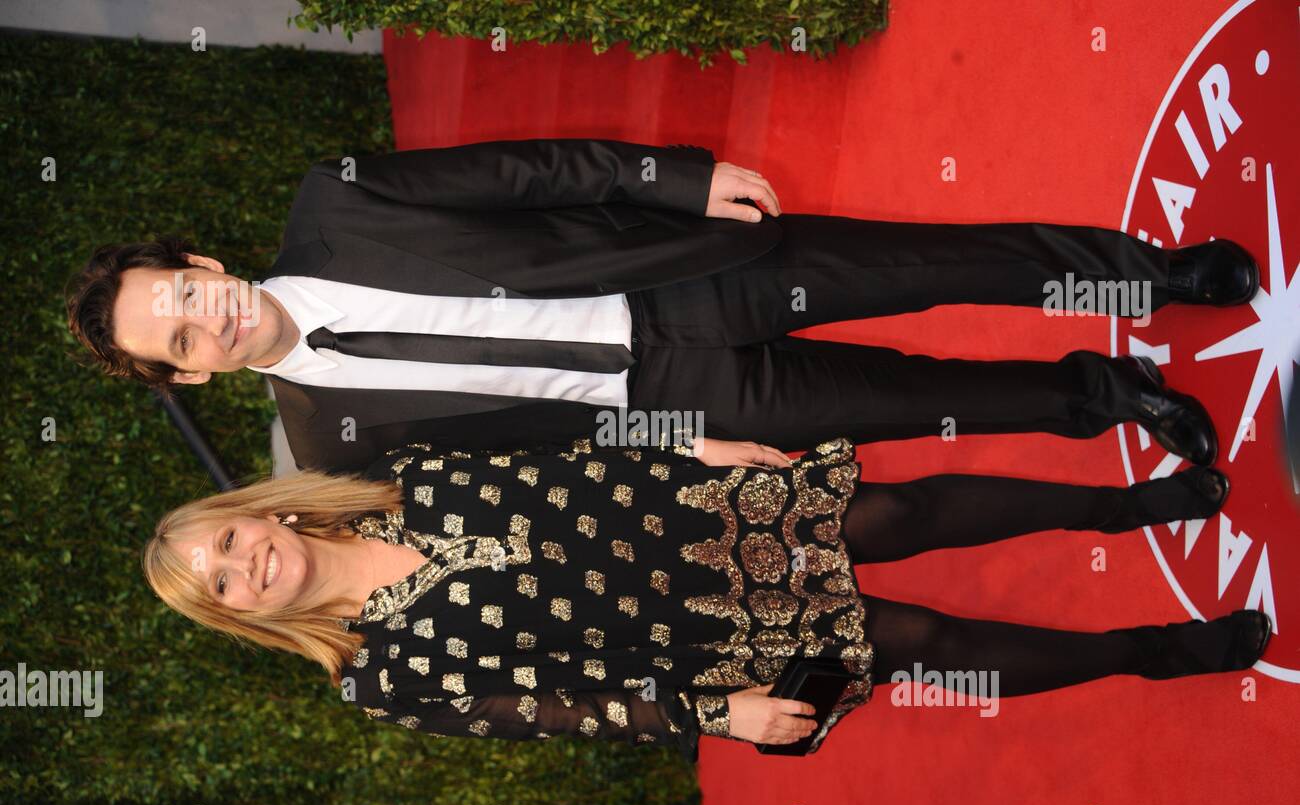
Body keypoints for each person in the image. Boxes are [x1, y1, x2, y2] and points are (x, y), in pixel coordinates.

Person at [66, 138, 1260, 474]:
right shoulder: (334, 437)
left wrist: (669, 179)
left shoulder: (332, 202)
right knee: (925, 400)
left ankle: (1152, 276)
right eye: (179, 342)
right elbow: (539, 447)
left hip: (682, 271)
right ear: (193, 375)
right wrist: (683, 443)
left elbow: (521, 174)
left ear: (205, 263)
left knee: (945, 264)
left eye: (184, 295)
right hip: (680, 393)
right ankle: (1112, 396)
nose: (204, 321)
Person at [141, 431, 1272, 764]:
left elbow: (566, 450)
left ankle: (1137, 503)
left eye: (230, 541)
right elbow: (561, 710)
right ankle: (1158, 649)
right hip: (710, 645)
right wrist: (715, 713)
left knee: (912, 512)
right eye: (225, 585)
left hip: (705, 511)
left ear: (264, 513)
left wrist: (691, 440)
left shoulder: (405, 476)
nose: (247, 566)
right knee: (923, 639)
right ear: (238, 613)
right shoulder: (376, 678)